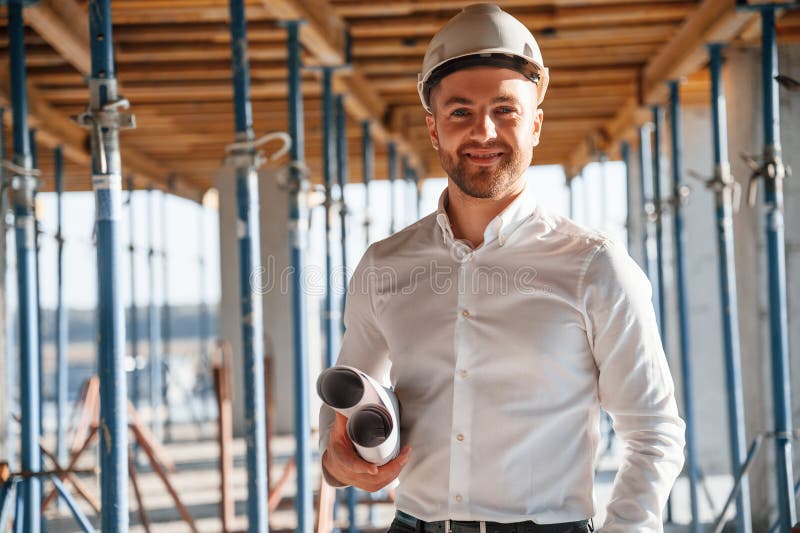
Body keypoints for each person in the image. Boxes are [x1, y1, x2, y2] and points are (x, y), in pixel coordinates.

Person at [319, 4, 686, 532]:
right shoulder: (384, 266)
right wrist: (338, 465)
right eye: (460, 112)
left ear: (535, 124)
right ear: (434, 129)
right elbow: (340, 417)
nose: (483, 131)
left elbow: (653, 432)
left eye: (505, 110)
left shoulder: (594, 266)